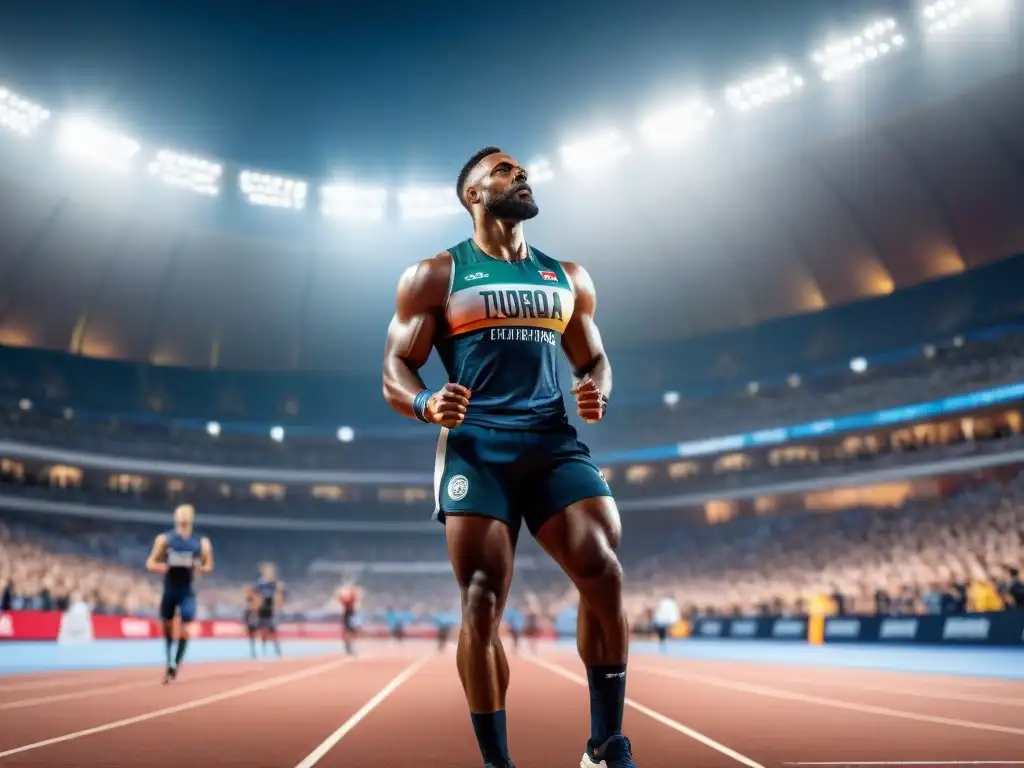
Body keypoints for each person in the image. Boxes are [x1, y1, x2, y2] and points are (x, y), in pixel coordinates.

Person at [382, 147, 634, 768]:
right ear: (473, 195)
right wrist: (425, 404)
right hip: (478, 448)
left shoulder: (566, 277)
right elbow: (395, 368)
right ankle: (497, 762)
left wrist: (598, 388)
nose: (519, 175)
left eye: (522, 170)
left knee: (603, 570)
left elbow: (594, 359)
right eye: (503, 171)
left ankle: (605, 744)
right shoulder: (436, 276)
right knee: (480, 597)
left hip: (551, 441)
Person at [145, 504, 214, 683]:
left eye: (186, 514)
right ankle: (169, 662)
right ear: (175, 517)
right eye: (180, 514)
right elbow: (151, 563)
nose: (183, 516)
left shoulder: (201, 542)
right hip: (170, 589)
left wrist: (193, 565)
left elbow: (208, 566)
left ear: (191, 518)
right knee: (167, 627)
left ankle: (176, 662)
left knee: (185, 627)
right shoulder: (165, 539)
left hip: (187, 590)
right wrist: (168, 565)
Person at [253, 562, 284, 658]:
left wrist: (278, 605)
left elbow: (278, 595)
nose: (269, 572)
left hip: (271, 609)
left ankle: (277, 649)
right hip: (262, 609)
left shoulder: (274, 583)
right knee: (262, 630)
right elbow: (256, 596)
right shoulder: (259, 583)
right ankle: (261, 649)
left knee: (273, 630)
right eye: (267, 571)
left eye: (271, 571)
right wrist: (256, 608)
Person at [337, 582, 360, 656]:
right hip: (348, 616)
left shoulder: (350, 601)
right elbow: (345, 600)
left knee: (352, 631)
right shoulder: (348, 602)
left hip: (351, 615)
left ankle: (349, 646)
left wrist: (351, 591)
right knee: (348, 631)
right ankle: (348, 646)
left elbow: (354, 598)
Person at [243, 585, 260, 659]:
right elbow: (246, 612)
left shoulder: (256, 599)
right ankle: (253, 652)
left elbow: (257, 608)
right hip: (250, 619)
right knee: (251, 636)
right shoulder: (247, 600)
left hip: (255, 619)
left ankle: (259, 650)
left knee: (255, 635)